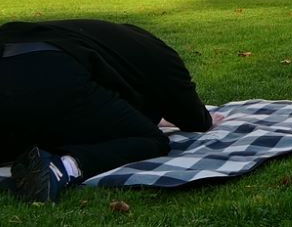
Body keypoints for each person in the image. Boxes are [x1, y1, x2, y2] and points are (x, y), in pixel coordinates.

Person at [0, 19, 216, 203]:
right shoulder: (162, 57)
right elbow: (196, 120)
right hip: (50, 74)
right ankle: (64, 167)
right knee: (150, 140)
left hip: (17, 66)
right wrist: (206, 118)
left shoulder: (90, 36)